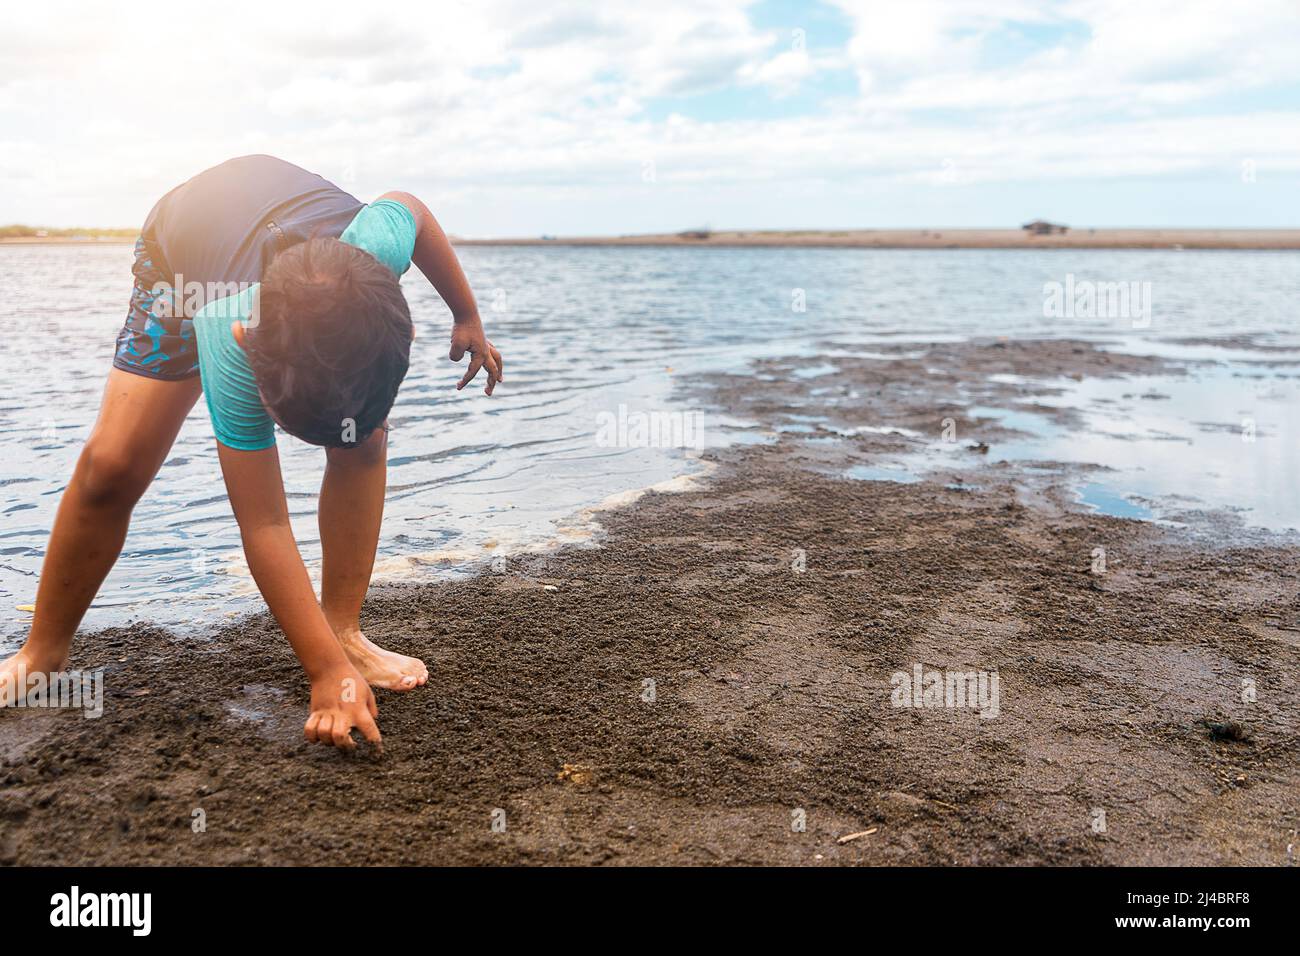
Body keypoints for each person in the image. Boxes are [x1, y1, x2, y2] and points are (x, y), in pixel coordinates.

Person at [0, 155, 503, 751]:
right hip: (179, 260)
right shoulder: (229, 332)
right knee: (113, 467)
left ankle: (342, 630)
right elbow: (264, 523)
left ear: (403, 327)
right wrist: (324, 677)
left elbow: (411, 207)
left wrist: (466, 313)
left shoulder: (375, 248)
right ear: (249, 353)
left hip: (323, 290)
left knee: (363, 441)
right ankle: (42, 650)